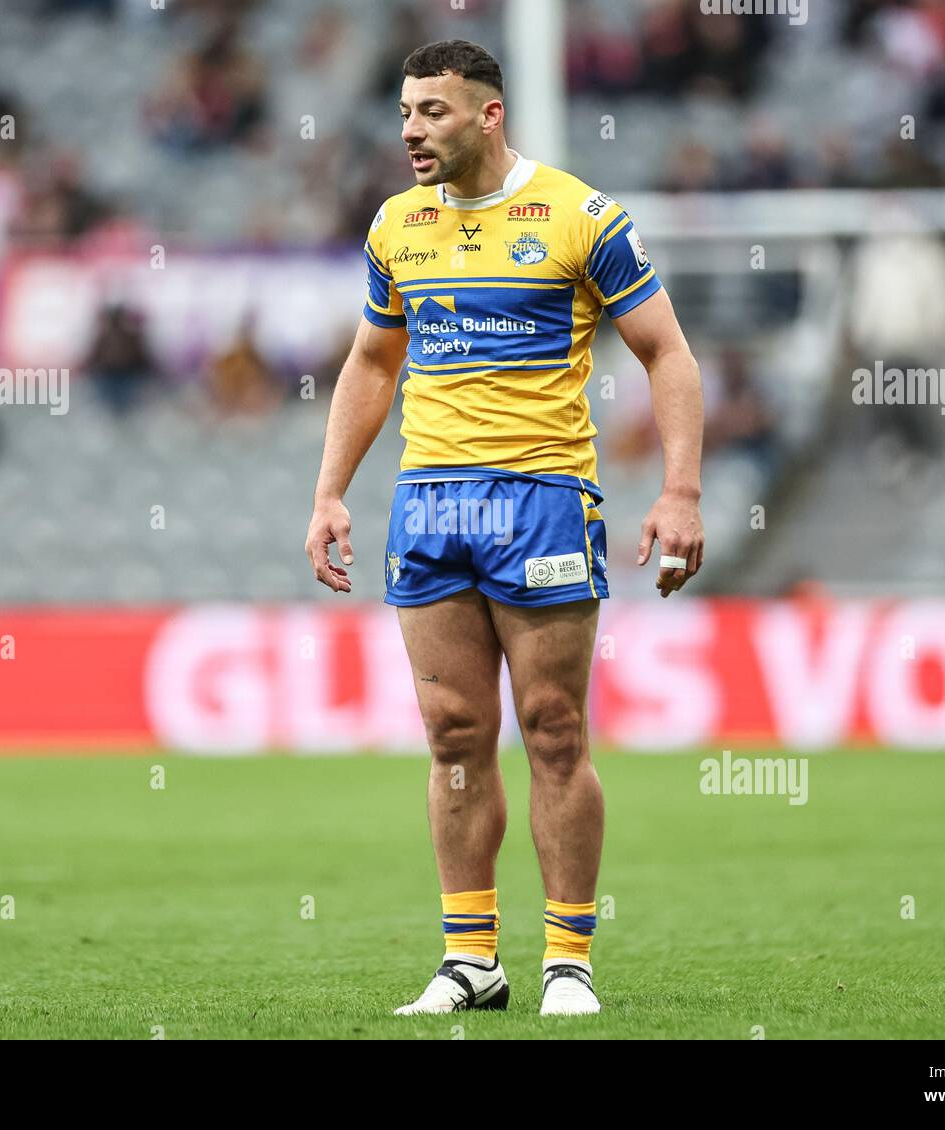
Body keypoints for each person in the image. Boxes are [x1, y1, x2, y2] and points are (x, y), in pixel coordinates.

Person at [305, 41, 705, 1017]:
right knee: (451, 734)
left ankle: (568, 959)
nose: (409, 129)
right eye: (403, 111)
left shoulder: (581, 216)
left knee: (555, 731)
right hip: (430, 501)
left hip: (543, 499)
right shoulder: (396, 226)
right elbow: (369, 361)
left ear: (488, 116)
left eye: (432, 111)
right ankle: (469, 960)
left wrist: (680, 491)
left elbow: (667, 354)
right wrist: (329, 491)